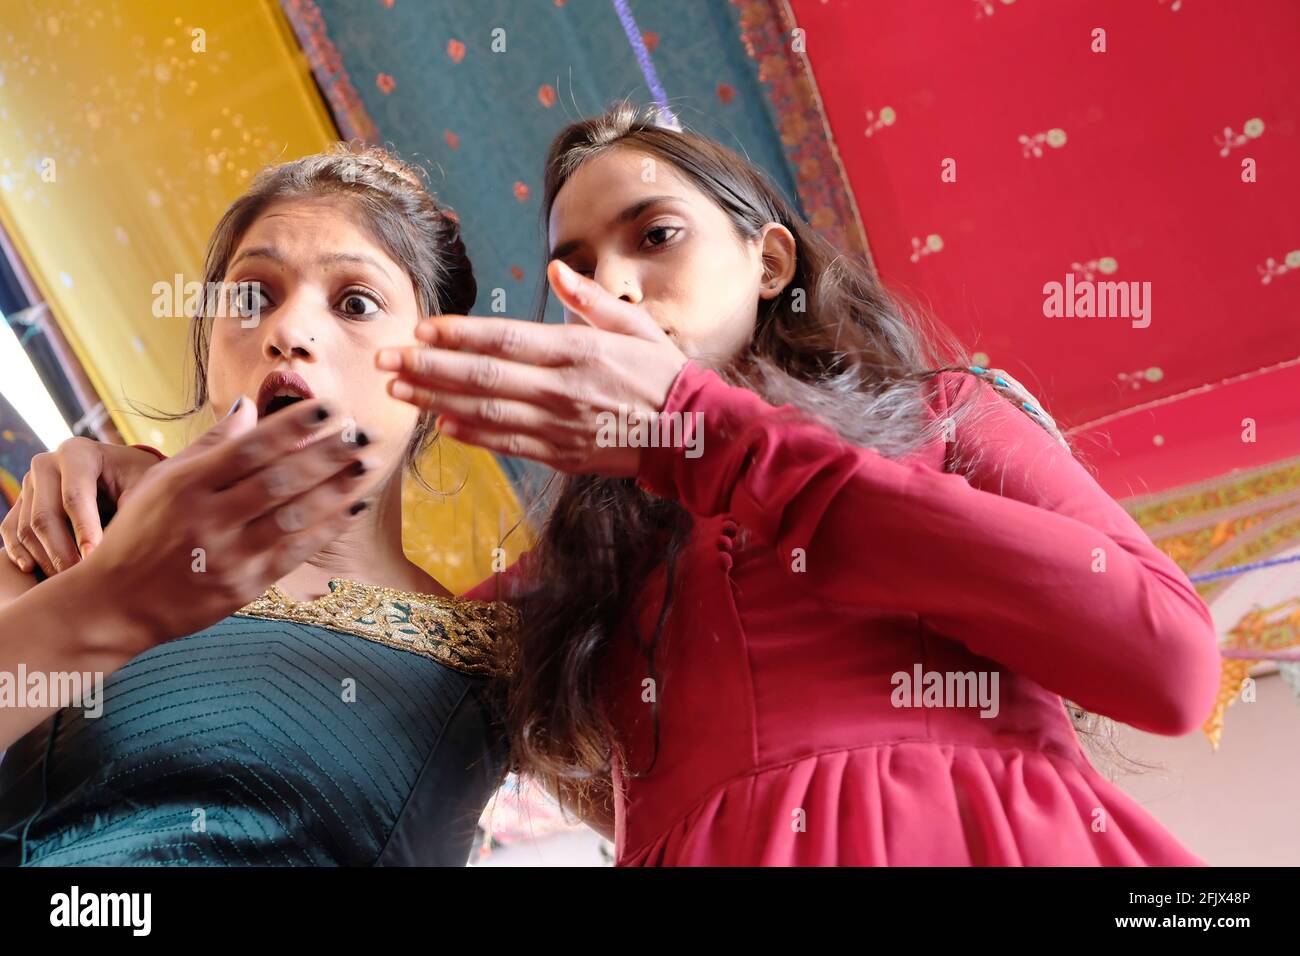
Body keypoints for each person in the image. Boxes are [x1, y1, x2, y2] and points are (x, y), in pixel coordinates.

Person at [380, 103, 1222, 865]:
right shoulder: (578, 568)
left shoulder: (939, 415)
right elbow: (373, 683)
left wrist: (714, 440)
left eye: (657, 235)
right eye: (579, 269)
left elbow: (1172, 665)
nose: (616, 288)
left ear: (770, 260)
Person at [0, 144, 518, 866]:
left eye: (356, 303)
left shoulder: (501, 671)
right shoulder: (72, 537)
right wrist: (105, 596)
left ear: (434, 371)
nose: (288, 333)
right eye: (251, 296)